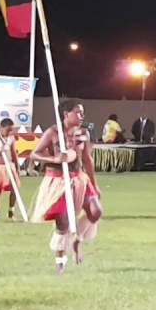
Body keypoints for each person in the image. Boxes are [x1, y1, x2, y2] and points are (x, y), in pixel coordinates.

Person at [30, 99, 102, 274]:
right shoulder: (53, 132)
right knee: (63, 223)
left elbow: (87, 159)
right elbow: (34, 154)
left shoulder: (83, 133)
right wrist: (55, 159)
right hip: (58, 181)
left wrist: (94, 183)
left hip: (79, 178)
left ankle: (77, 239)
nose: (82, 115)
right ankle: (60, 262)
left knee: (95, 211)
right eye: (78, 112)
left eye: (82, 112)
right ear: (66, 114)